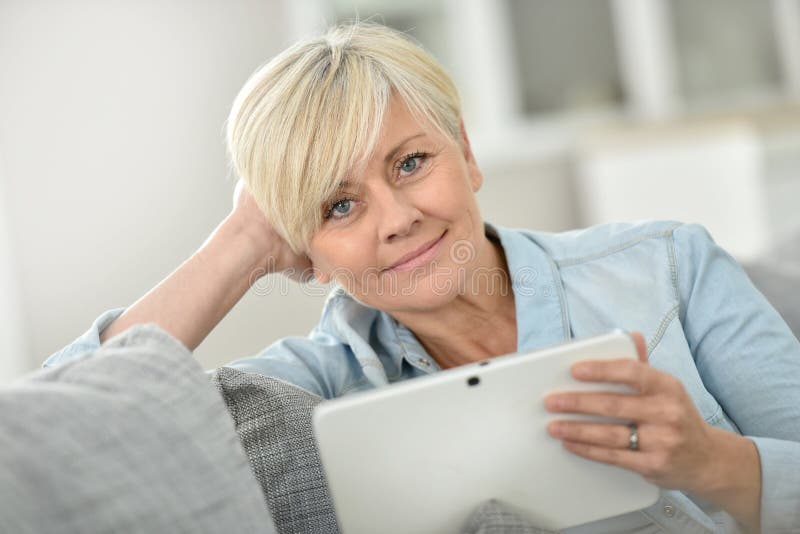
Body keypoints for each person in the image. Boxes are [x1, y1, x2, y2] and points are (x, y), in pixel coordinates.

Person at [44, 22, 799, 533]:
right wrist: (241, 240)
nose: (398, 218)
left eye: (410, 163)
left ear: (465, 153)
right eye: (339, 205)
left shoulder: (668, 263)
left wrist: (714, 463)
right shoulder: (320, 391)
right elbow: (62, 425)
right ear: (307, 251)